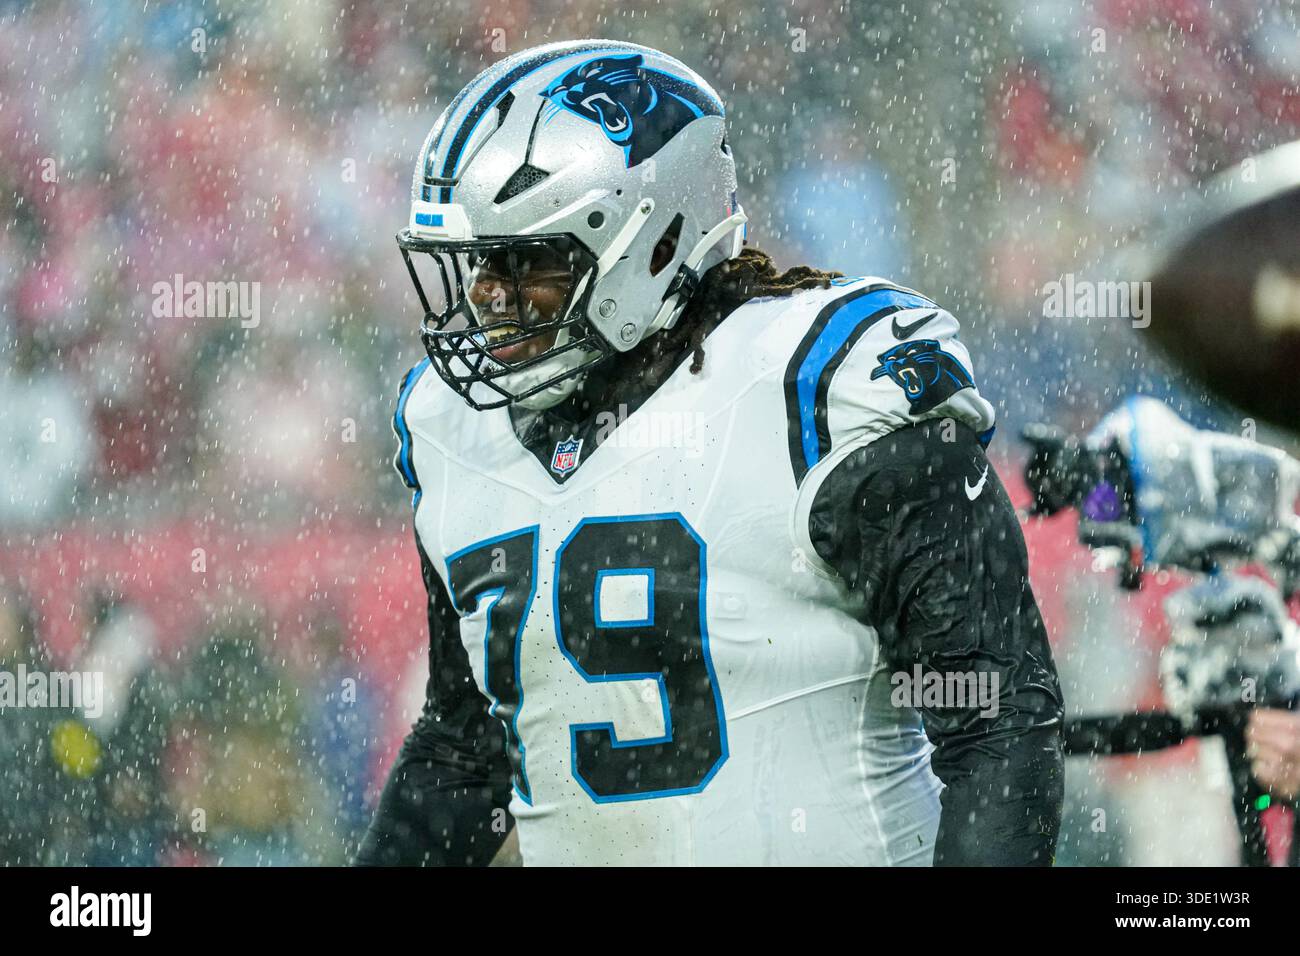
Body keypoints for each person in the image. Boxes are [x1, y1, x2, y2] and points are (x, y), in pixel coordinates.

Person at [357, 39, 1063, 866]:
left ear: (651, 241)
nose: (490, 304)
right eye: (479, 268)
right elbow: (466, 749)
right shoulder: (453, 432)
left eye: (528, 265)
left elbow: (998, 717)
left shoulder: (816, 393)